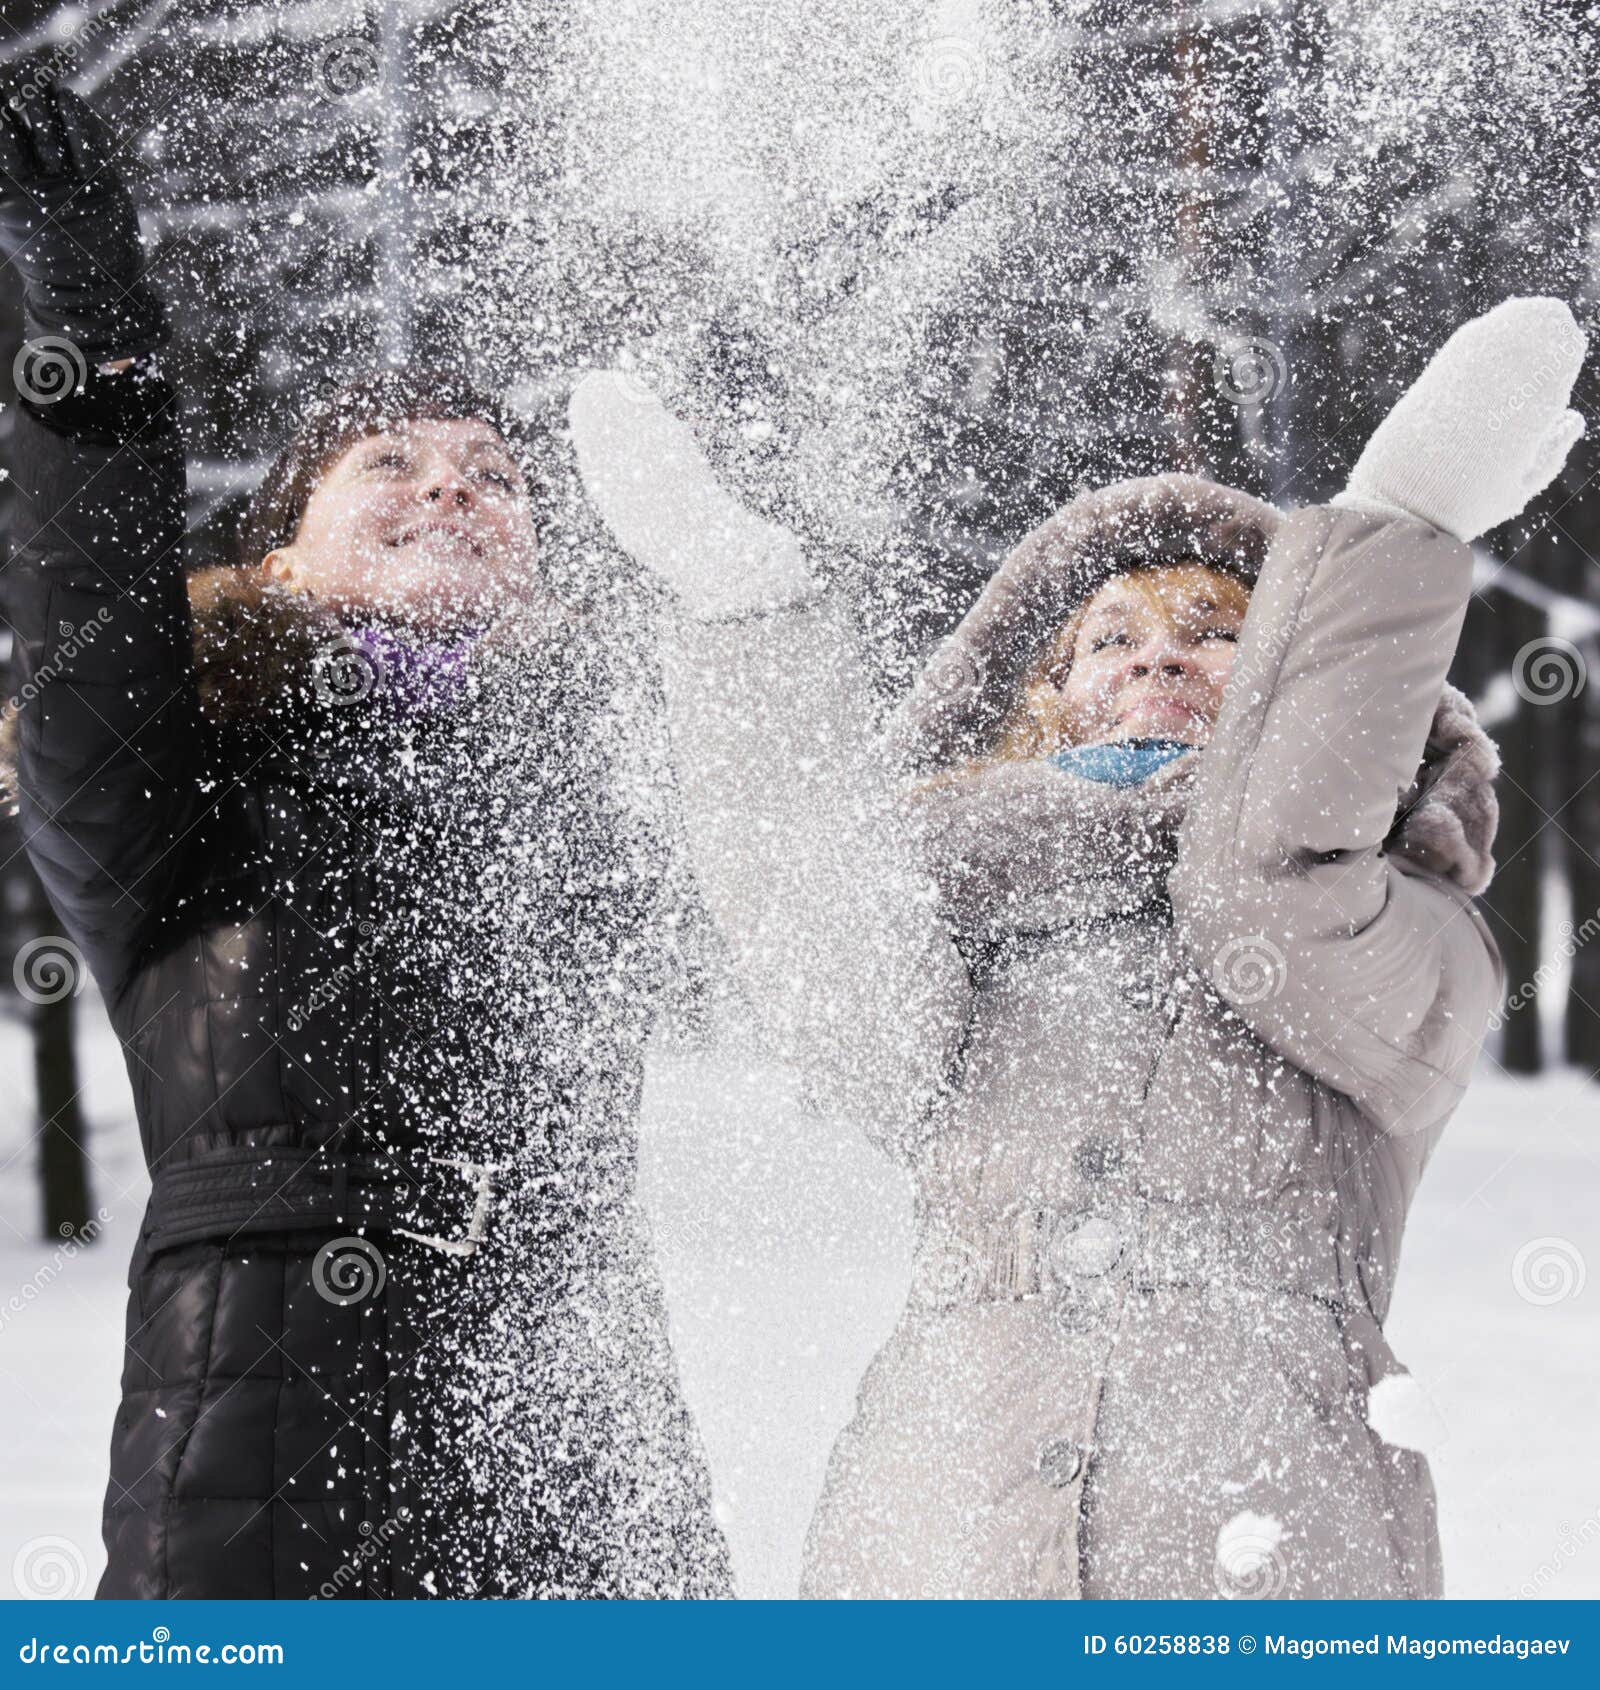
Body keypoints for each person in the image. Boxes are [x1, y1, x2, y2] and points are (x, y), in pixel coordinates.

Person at [571, 296, 1584, 1597]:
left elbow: (1265, 883)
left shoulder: (1415, 926)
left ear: (1289, 674)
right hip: (939, 1533)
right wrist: (743, 623)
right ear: (1042, 700)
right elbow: (832, 974)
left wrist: (1402, 520)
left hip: (1262, 1548)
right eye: (1111, 638)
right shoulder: (950, 920)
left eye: (1221, 631)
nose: (1161, 653)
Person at [1, 81, 730, 1599]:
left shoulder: (611, 771)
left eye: (496, 472)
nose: (454, 482)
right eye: (389, 462)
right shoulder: (172, 783)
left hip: (584, 1430)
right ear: (280, 548)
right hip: (260, 1444)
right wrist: (94, 317)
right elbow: (89, 600)